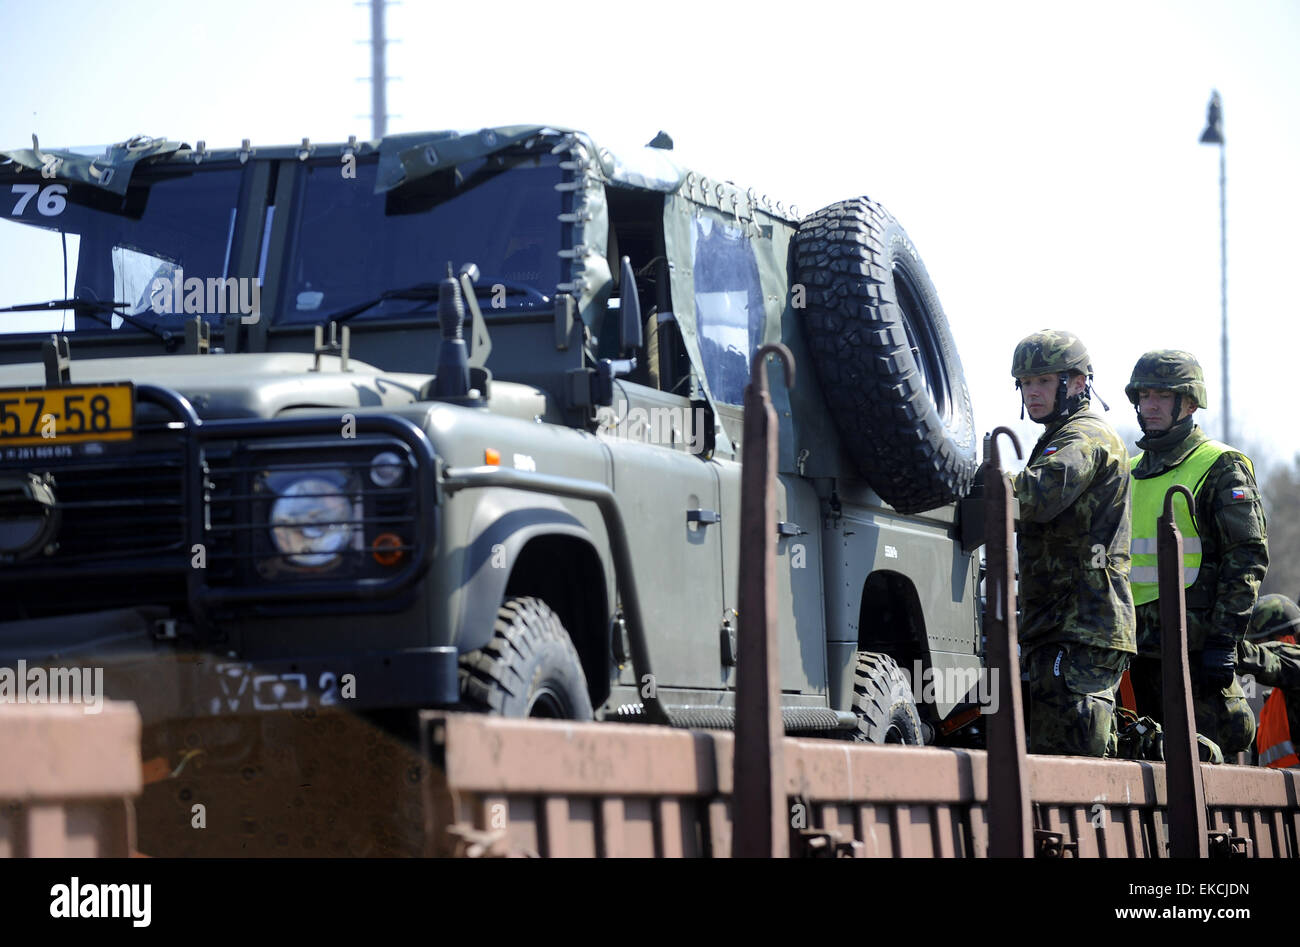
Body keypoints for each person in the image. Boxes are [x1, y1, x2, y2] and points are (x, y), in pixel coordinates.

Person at [1125, 350, 1266, 758]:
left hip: (1194, 648)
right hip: (1137, 651)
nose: (1149, 405)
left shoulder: (1220, 465)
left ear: (1188, 403)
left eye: (1161, 396)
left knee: (1218, 746)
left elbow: (1246, 558)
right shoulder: (1129, 472)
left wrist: (1224, 639)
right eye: (1144, 395)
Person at [1011, 330, 1135, 757]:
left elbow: (1037, 495)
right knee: (1061, 756)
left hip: (1081, 626)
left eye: (1043, 381)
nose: (1032, 393)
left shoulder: (1084, 436)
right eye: (1025, 383)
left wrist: (968, 481)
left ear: (1078, 382)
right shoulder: (1061, 435)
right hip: (1061, 625)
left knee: (1077, 764)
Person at [1237, 594, 1300, 768]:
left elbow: (1265, 659)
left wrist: (1223, 648)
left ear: (1288, 639)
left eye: (1260, 643)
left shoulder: (1295, 664)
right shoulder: (1272, 709)